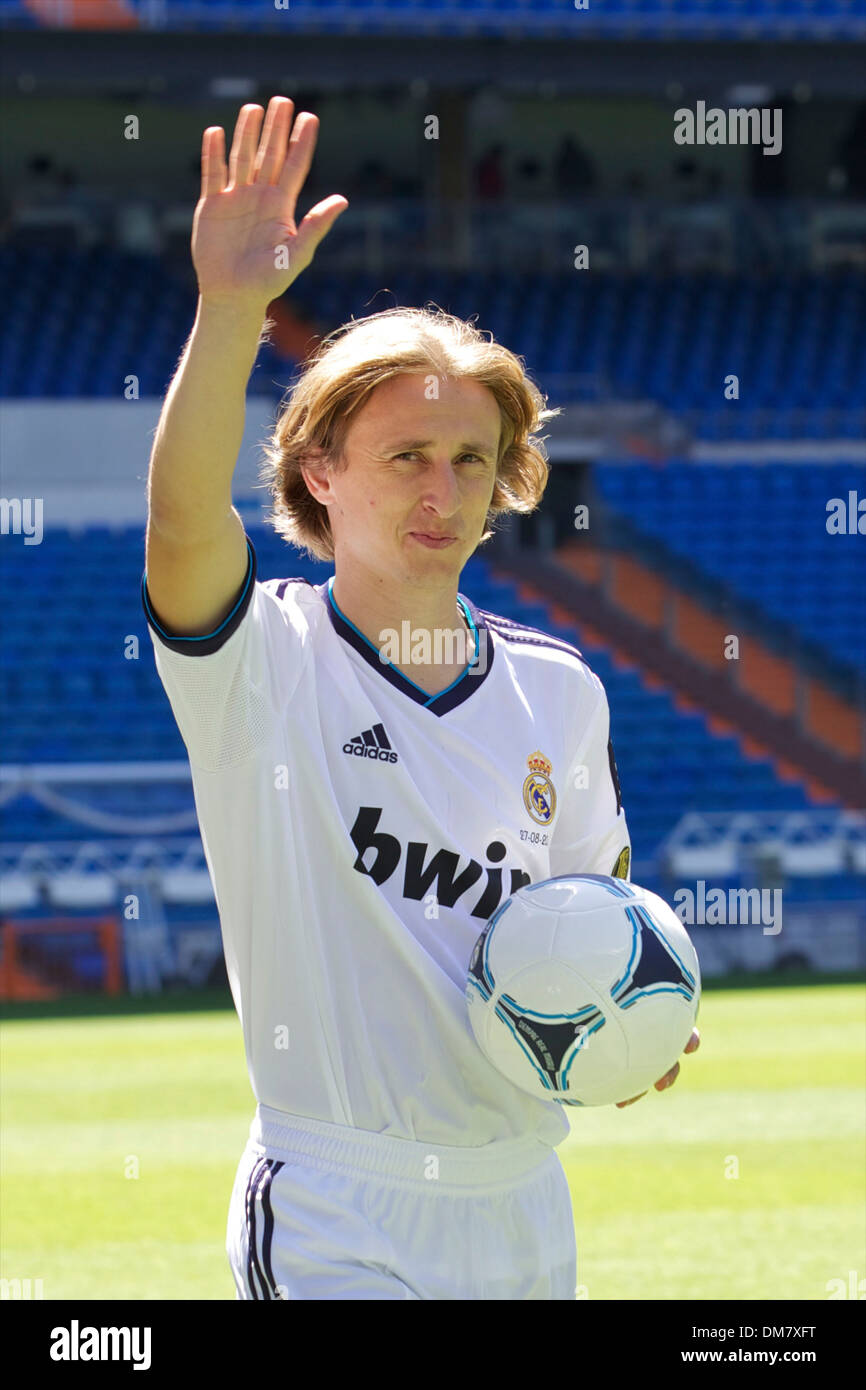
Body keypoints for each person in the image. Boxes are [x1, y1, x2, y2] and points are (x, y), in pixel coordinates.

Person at [141, 96, 699, 1302]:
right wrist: (232, 307)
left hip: (520, 1201)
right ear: (319, 472)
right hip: (339, 1199)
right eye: (404, 456)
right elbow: (185, 524)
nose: (441, 489)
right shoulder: (263, 663)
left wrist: (640, 1016)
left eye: (468, 460)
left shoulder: (560, 692)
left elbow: (586, 922)